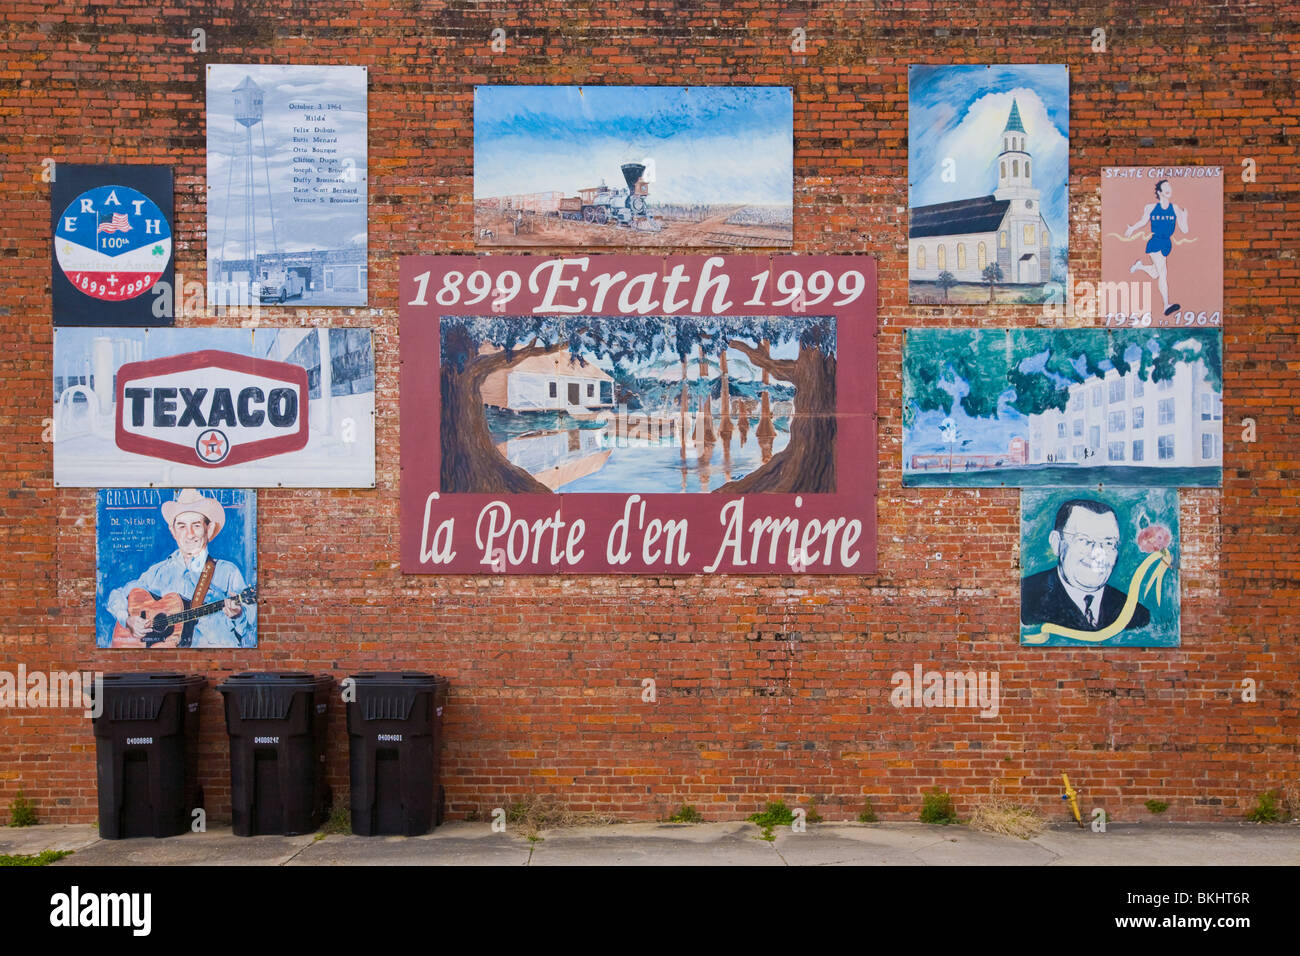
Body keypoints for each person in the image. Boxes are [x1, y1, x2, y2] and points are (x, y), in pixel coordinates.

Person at [106, 489, 255, 648]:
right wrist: (128, 620)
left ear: (209, 529)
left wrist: (237, 615)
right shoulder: (159, 572)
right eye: (182, 526)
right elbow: (117, 595)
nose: (189, 534)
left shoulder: (228, 572)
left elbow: (249, 630)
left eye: (196, 525)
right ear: (173, 531)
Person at [1021, 498, 1150, 633]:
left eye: (1109, 543)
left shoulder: (1137, 616)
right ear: (1056, 543)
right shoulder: (1024, 600)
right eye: (1084, 540)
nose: (1098, 553)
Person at [1126, 178, 1189, 317]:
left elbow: (1184, 230)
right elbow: (1143, 221)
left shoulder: (1176, 208)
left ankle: (1140, 266)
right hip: (1155, 242)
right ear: (1160, 192)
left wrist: (1185, 217)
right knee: (1163, 273)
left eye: (1170, 187)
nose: (1169, 189)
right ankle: (1166, 305)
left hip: (1167, 243)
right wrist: (1132, 229)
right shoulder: (1150, 207)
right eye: (1165, 187)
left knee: (1156, 273)